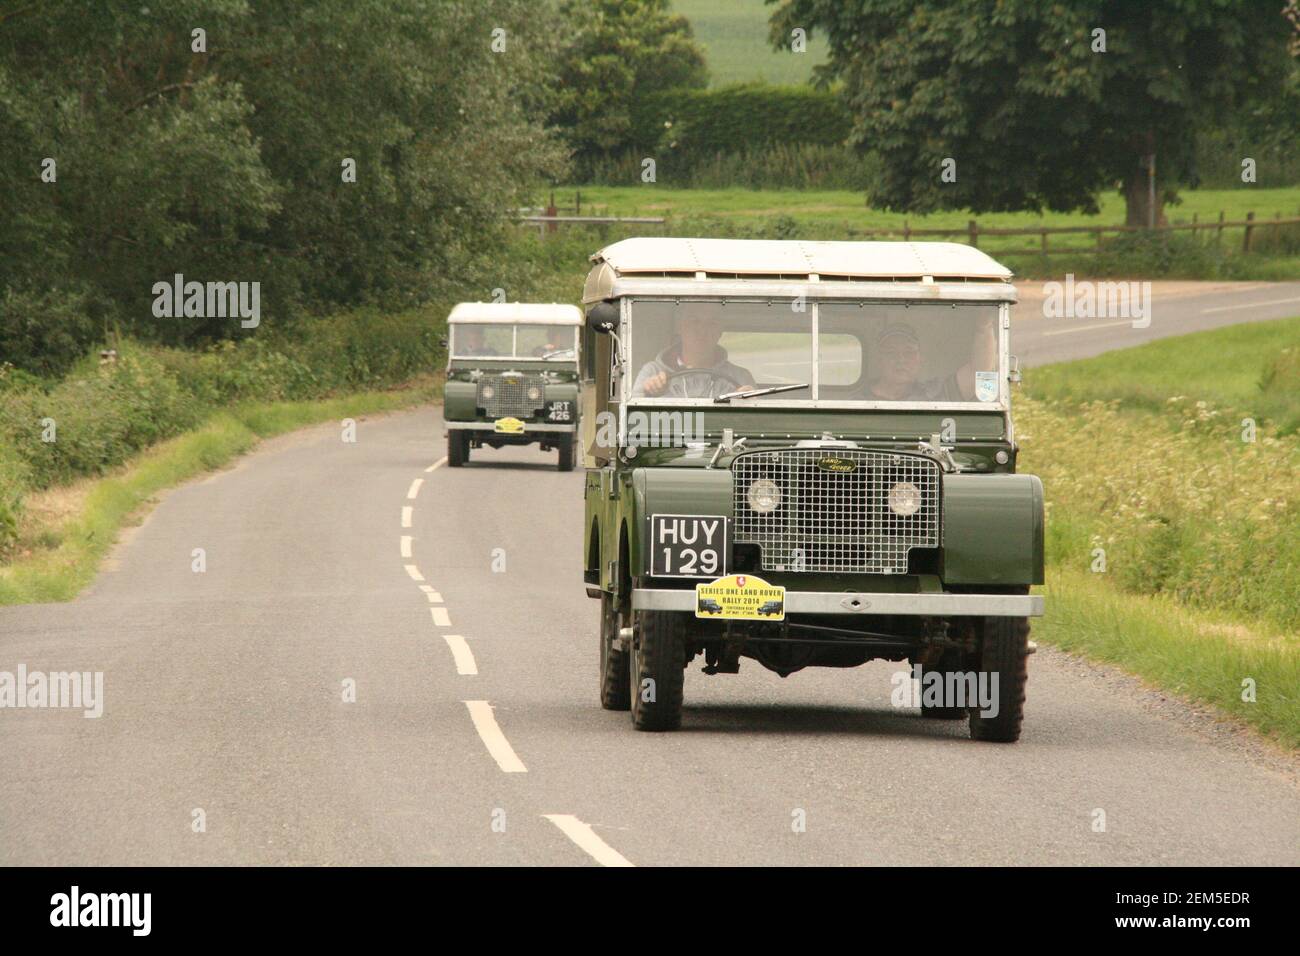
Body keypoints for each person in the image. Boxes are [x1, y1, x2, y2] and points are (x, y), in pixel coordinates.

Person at [864, 316, 996, 401]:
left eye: (909, 352)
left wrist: (984, 326)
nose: (901, 360)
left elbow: (979, 371)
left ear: (919, 359)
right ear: (879, 360)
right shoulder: (859, 400)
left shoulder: (935, 392)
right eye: (891, 353)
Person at [632, 315, 755, 399]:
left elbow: (755, 422)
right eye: (694, 321)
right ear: (681, 327)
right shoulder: (653, 371)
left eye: (712, 324)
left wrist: (749, 400)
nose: (702, 330)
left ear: (720, 331)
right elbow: (632, 417)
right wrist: (649, 392)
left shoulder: (740, 376)